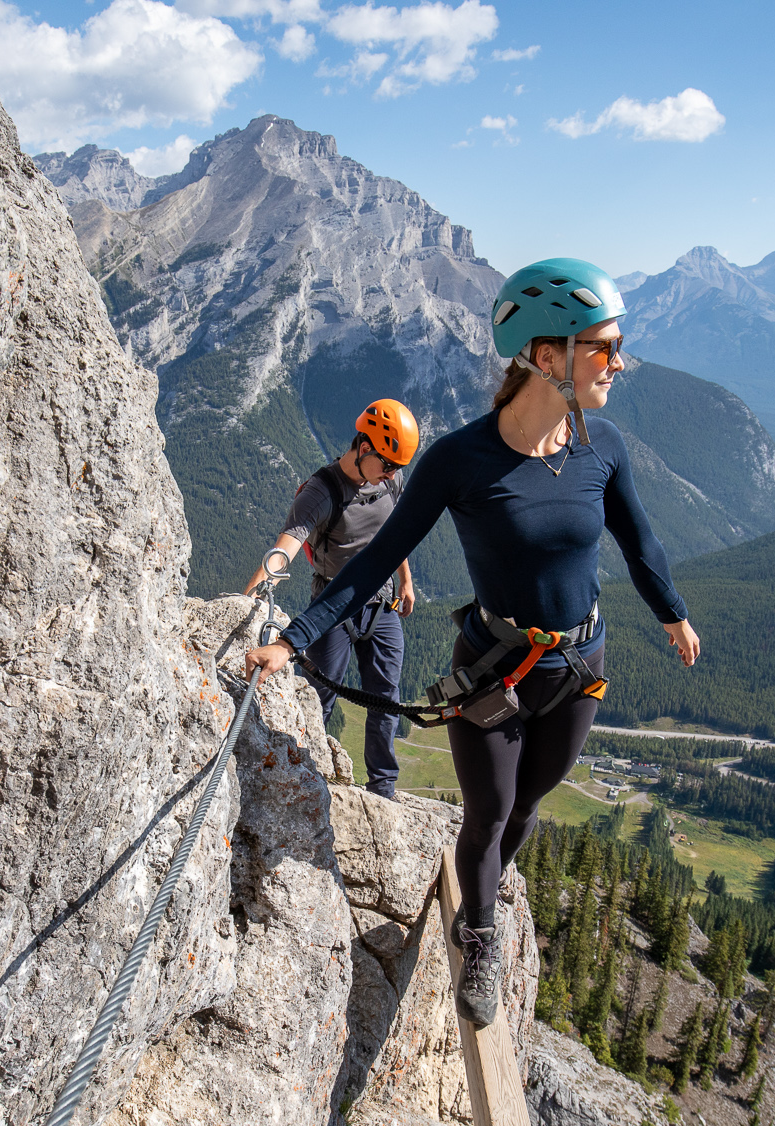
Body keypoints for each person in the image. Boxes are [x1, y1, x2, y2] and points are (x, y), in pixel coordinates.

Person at [242, 260, 701, 1026]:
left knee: (527, 806)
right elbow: (374, 564)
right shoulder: (459, 461)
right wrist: (294, 639)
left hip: (581, 664)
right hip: (495, 673)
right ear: (546, 356)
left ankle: (485, 884)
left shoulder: (604, 445)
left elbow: (640, 542)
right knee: (487, 814)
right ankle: (480, 931)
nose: (619, 363)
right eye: (604, 347)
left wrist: (672, 612)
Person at [243, 400, 420, 800]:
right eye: (388, 464)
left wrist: (405, 581)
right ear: (364, 446)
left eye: (397, 467)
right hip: (332, 606)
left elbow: (395, 533)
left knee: (385, 698)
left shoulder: (389, 480)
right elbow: (285, 548)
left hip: (380, 603)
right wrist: (246, 599)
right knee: (318, 696)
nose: (393, 473)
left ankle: (383, 788)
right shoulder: (320, 492)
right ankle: (312, 775)